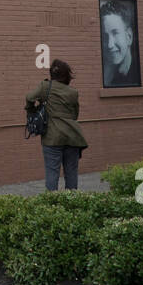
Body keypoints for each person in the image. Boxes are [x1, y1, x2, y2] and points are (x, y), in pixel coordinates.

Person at [27, 59, 88, 190]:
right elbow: (75, 115)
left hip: (52, 137)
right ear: (67, 75)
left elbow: (29, 97)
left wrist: (32, 111)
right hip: (73, 136)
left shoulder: (45, 87)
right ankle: (71, 204)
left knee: (52, 173)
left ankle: (52, 206)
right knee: (71, 173)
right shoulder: (73, 93)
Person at [101, 1, 140, 87]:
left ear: (129, 36)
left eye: (115, 33)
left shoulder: (136, 74)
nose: (109, 45)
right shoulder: (106, 75)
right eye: (104, 36)